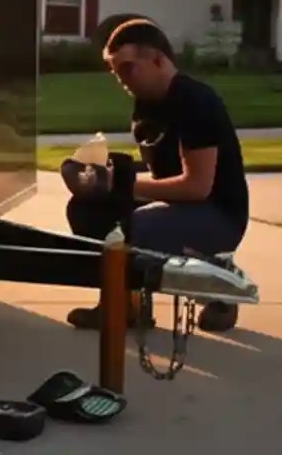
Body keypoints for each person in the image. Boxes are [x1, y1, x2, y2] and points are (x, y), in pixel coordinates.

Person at [59, 18, 249, 333]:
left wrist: (120, 185)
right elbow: (161, 176)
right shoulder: (146, 107)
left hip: (218, 215)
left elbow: (197, 187)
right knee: (86, 209)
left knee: (138, 227)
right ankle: (127, 307)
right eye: (115, 71)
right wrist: (99, 176)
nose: (120, 79)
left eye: (127, 68)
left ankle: (220, 281)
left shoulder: (195, 102)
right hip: (181, 209)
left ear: (158, 60)